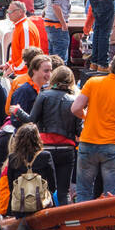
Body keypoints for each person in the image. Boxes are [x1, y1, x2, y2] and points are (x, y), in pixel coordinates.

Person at [72, 51, 115, 202]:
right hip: (112, 146)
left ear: (112, 64)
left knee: (83, 192)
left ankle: (82, 224)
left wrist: (87, 117)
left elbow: (75, 108)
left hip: (87, 143)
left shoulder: (93, 82)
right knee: (111, 197)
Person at [28, 66, 81, 202]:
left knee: (43, 190)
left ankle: (46, 220)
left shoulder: (44, 96)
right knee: (64, 192)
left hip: (45, 148)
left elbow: (31, 121)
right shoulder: (74, 100)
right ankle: (65, 221)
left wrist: (17, 112)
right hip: (66, 150)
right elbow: (78, 131)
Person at [4, 123, 56, 217]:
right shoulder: (46, 156)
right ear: (37, 138)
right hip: (42, 204)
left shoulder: (12, 158)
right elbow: (53, 185)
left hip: (20, 207)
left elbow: (11, 185)